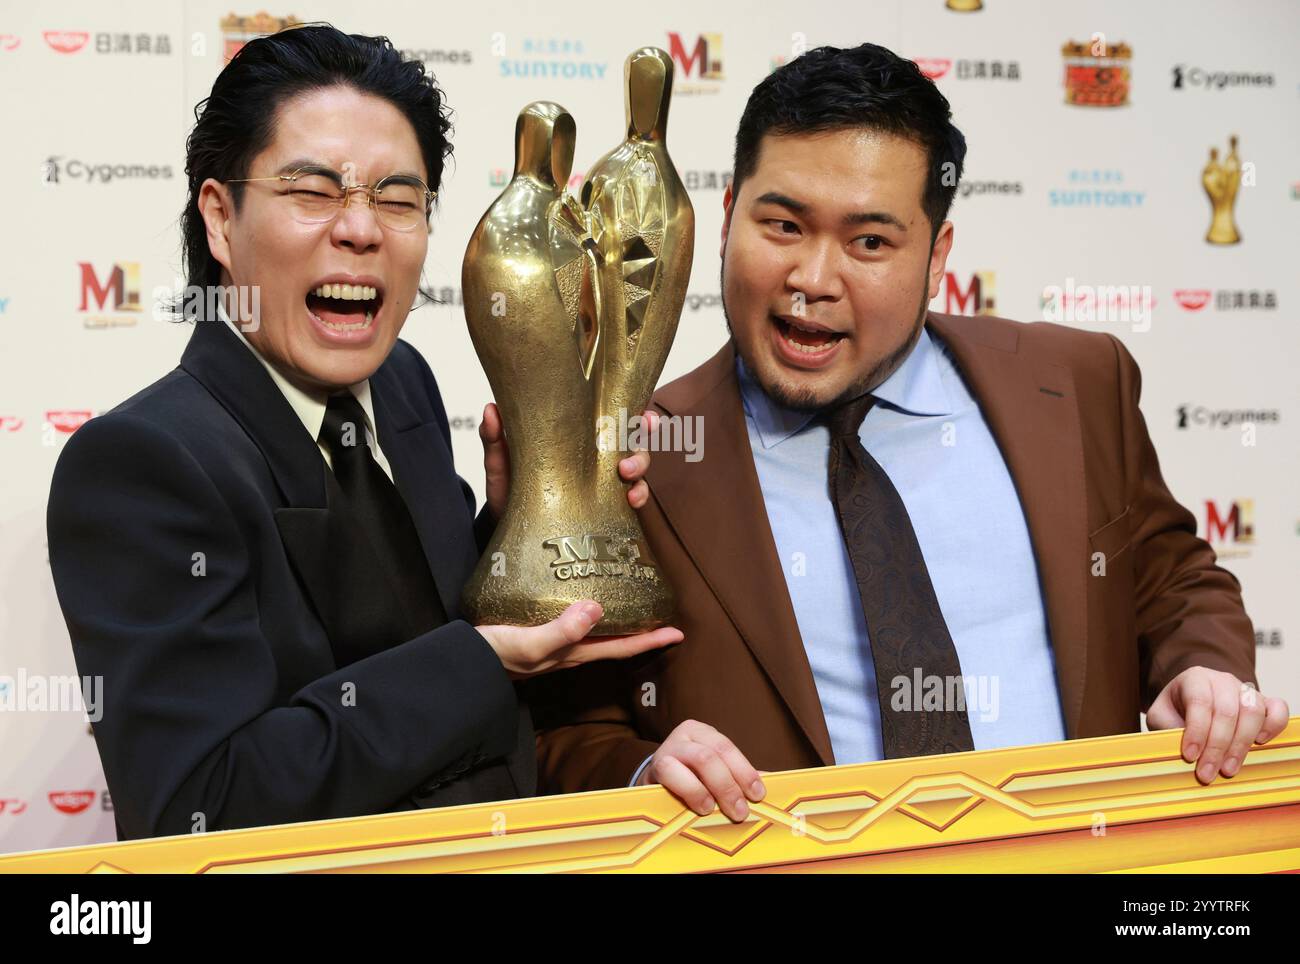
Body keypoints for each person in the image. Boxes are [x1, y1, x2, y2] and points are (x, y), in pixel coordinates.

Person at [529, 43, 1289, 822]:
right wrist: (644, 771)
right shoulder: (633, 455)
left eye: (870, 243)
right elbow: (563, 729)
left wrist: (1200, 667)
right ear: (727, 221)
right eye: (783, 225)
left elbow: (1172, 579)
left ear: (936, 259)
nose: (814, 279)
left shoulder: (1075, 383)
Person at [45, 24, 680, 841]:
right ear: (220, 219)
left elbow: (415, 619)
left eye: (397, 198)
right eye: (312, 193)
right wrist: (482, 662)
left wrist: (523, 528)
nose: (361, 229)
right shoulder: (142, 465)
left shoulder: (404, 383)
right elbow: (201, 803)